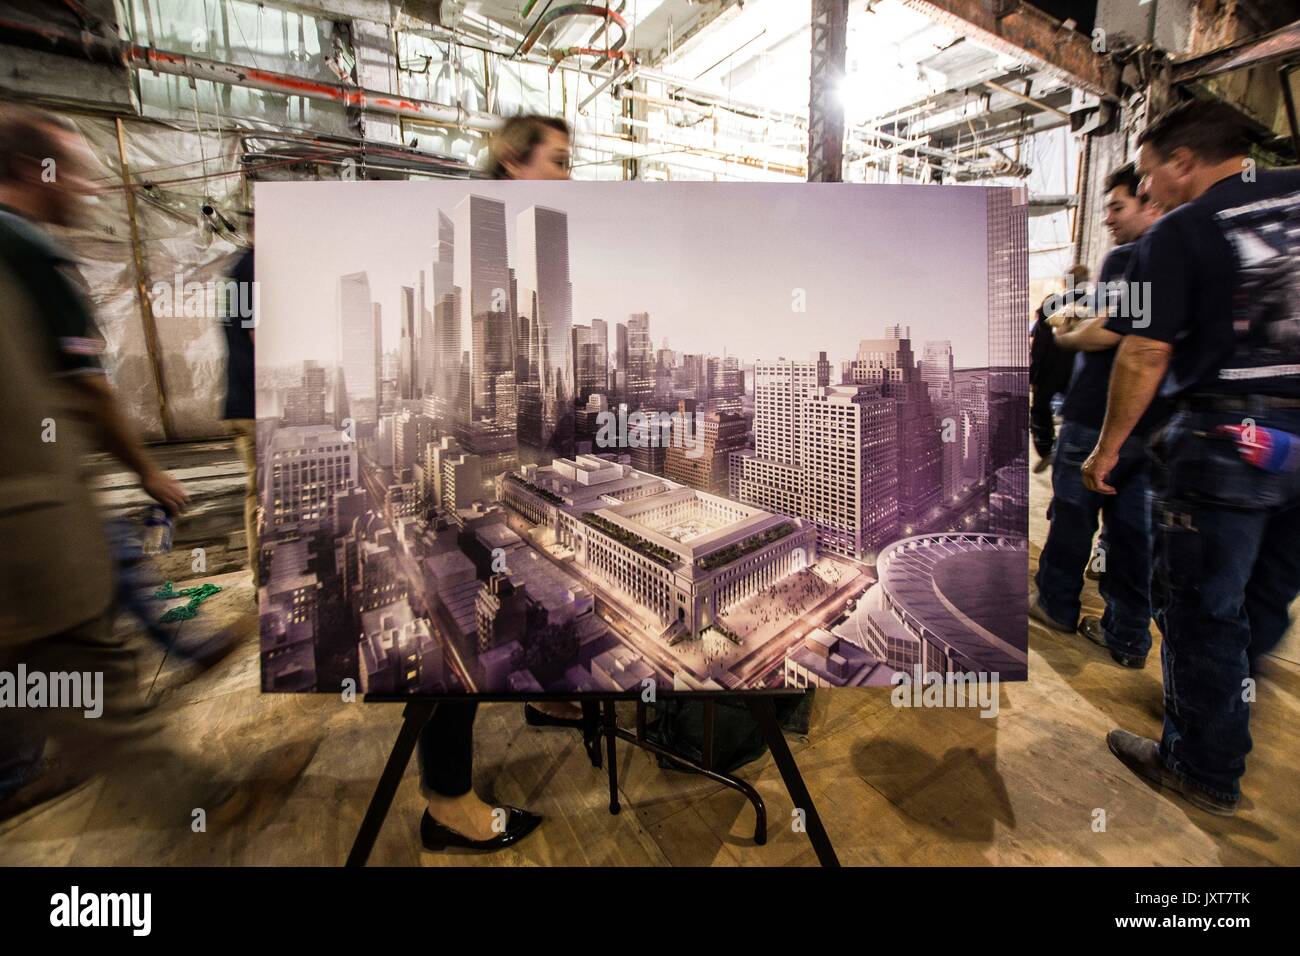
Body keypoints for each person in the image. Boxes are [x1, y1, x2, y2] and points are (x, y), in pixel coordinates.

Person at [1083, 99, 1300, 816]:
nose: (1146, 194)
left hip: (1230, 440)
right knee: (1267, 592)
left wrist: (1107, 449)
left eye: (1149, 178)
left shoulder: (1183, 230)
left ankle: (1200, 763)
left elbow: (1145, 349)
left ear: (1184, 162)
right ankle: (1230, 704)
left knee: (1207, 608)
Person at [0, 107, 175, 815]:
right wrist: (147, 470)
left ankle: (12, 778)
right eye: (71, 169)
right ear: (29, 171)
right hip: (35, 513)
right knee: (88, 664)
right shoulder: (28, 248)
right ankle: (195, 801)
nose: (88, 186)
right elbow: (91, 389)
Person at [416, 114, 572, 852]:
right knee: (455, 656)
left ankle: (547, 704)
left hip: (516, 455)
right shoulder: (474, 245)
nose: (570, 176)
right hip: (480, 467)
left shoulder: (511, 268)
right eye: (559, 161)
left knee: (489, 622)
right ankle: (446, 804)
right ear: (513, 161)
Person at [1029, 163, 1163, 668]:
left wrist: (1063, 336)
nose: (1107, 217)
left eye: (1117, 206)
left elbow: (1108, 332)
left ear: (1148, 203)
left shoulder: (1132, 256)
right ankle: (1128, 637)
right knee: (1133, 534)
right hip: (1151, 422)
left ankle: (1056, 604)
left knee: (1071, 517)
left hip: (1098, 416)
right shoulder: (1184, 254)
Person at [222, 233, 258, 584]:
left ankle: (259, 579)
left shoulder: (238, 270)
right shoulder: (252, 269)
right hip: (252, 404)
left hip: (243, 402)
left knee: (258, 493)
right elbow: (254, 332)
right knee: (263, 494)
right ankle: (262, 581)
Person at [1029, 265, 1089, 471]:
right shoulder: (1095, 305)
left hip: (1052, 369)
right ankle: (1065, 451)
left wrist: (1034, 376)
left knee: (1040, 409)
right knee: (1074, 414)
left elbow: (1040, 345)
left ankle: (1048, 450)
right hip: (1078, 370)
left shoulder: (1054, 304)